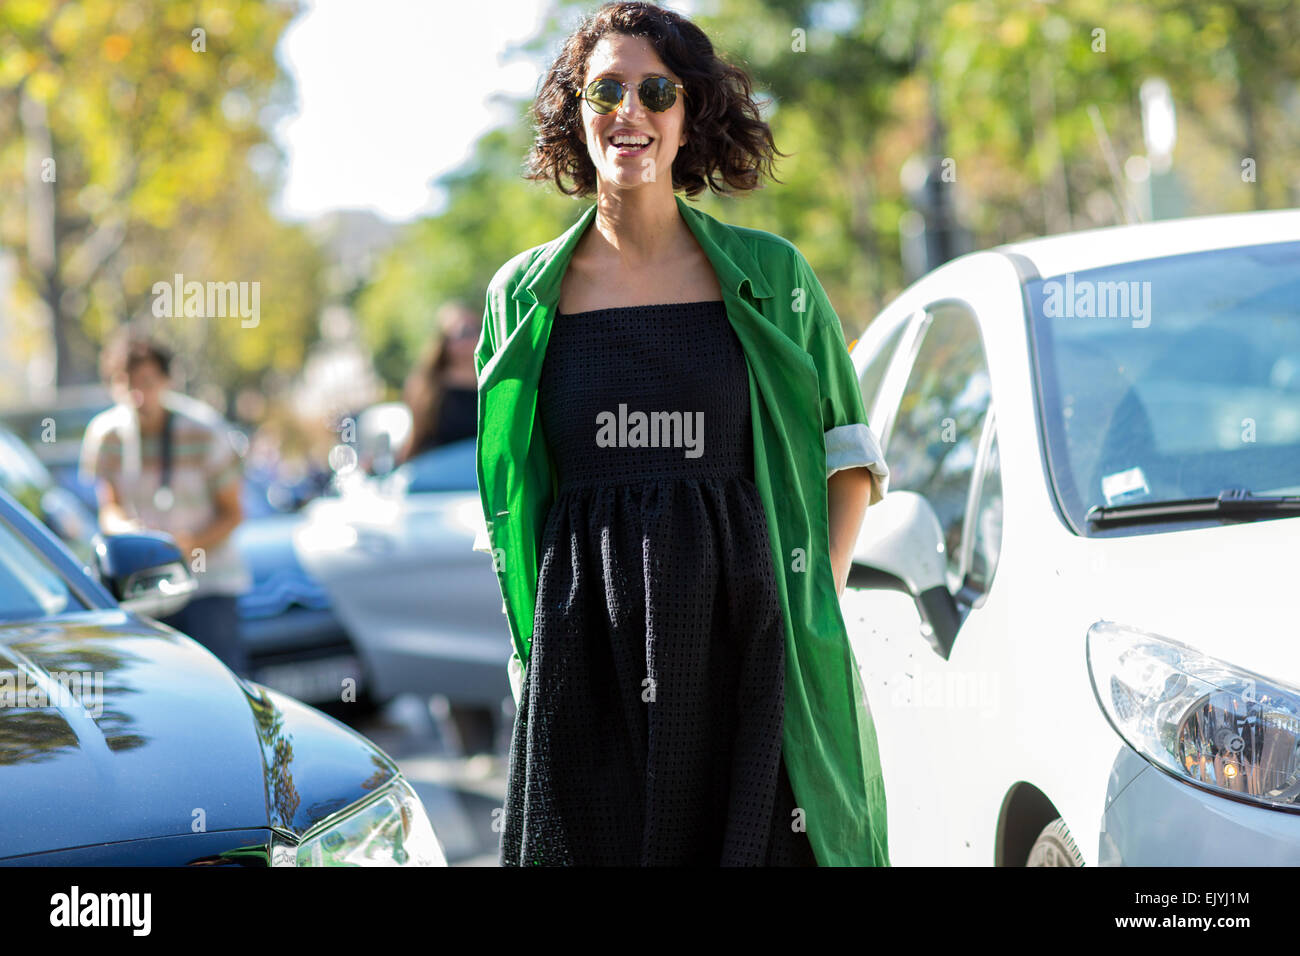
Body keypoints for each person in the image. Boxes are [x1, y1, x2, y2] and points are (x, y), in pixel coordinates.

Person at [475, 2, 891, 866]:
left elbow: (846, 457)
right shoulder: (519, 300)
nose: (630, 110)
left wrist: (807, 603)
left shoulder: (775, 278)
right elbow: (512, 498)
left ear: (689, 113)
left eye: (656, 90)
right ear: (574, 114)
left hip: (746, 648)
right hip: (585, 657)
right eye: (606, 90)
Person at [80, 335, 253, 677]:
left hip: (208, 586)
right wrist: (131, 537)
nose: (138, 395)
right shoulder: (106, 435)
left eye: (147, 382)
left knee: (219, 686)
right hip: (144, 592)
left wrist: (183, 546)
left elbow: (233, 513)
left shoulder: (204, 429)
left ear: (166, 381)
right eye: (126, 383)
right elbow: (108, 508)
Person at [398, 302, 481, 465]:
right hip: (439, 471)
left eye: (476, 330)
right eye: (463, 333)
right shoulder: (428, 387)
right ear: (445, 341)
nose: (472, 338)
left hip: (480, 472)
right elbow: (416, 436)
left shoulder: (496, 380)